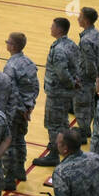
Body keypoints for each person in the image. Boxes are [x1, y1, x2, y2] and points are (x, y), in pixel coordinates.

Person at [35, 17, 81, 167]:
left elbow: (62, 72)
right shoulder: (71, 45)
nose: (50, 28)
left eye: (53, 26)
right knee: (63, 121)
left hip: (57, 92)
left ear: (60, 30)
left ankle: (54, 154)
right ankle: (66, 147)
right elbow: (77, 65)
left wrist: (70, 84)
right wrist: (74, 83)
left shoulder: (59, 49)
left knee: (53, 124)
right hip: (65, 93)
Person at [2, 32, 39, 189]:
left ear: (13, 46)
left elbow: (11, 91)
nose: (6, 44)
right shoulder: (29, 63)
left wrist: (19, 109)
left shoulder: (11, 66)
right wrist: (29, 107)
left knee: (9, 143)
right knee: (20, 140)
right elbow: (35, 87)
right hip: (25, 109)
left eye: (8, 42)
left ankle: (9, 179)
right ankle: (20, 171)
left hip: (15, 111)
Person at [75, 7, 99, 141]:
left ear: (86, 20)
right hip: (95, 76)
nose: (78, 18)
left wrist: (91, 78)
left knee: (81, 106)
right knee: (90, 105)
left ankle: (83, 132)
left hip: (85, 78)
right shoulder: (98, 34)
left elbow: (89, 62)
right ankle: (86, 129)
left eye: (80, 16)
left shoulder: (86, 40)